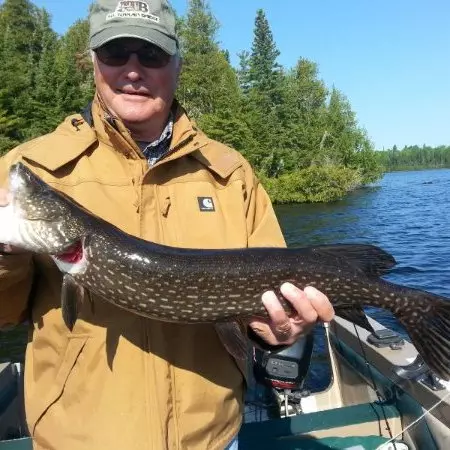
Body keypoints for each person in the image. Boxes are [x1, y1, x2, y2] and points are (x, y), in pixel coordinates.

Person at [0, 1, 334, 449]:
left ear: (177, 64)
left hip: (212, 439)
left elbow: (269, 304)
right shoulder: (31, 170)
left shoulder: (230, 173)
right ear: (94, 62)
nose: (133, 70)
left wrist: (279, 333)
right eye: (117, 53)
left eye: (151, 54)